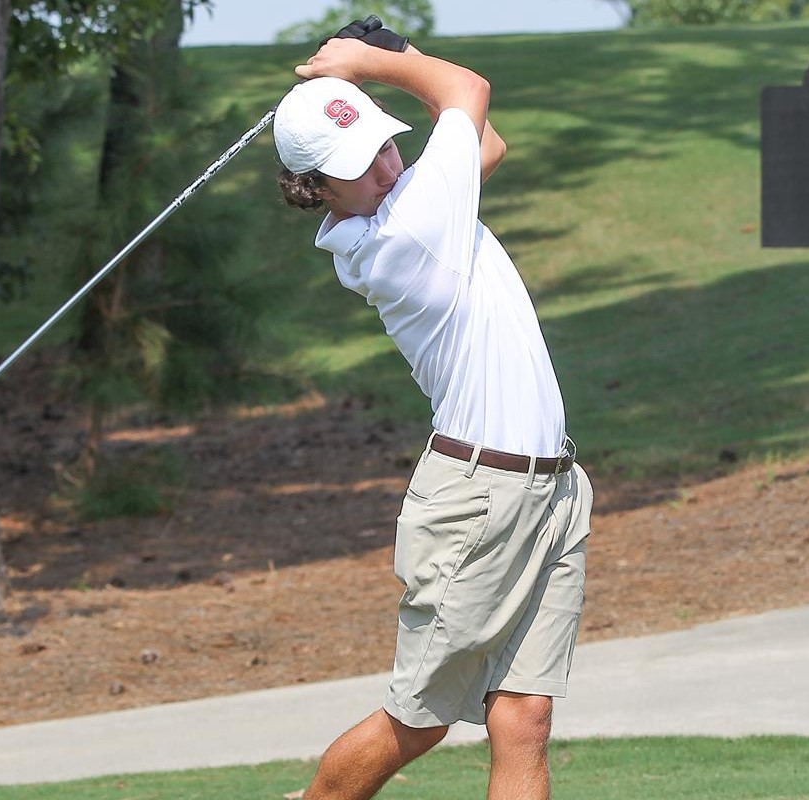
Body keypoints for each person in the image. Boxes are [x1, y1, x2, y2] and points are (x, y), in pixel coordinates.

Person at [272, 37, 594, 800]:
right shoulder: (407, 229)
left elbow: (485, 141)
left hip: (549, 487)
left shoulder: (408, 206)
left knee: (524, 716)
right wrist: (373, 58)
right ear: (316, 187)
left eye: (385, 146)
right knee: (420, 717)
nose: (385, 168)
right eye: (359, 165)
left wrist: (387, 58)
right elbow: (467, 89)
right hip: (479, 499)